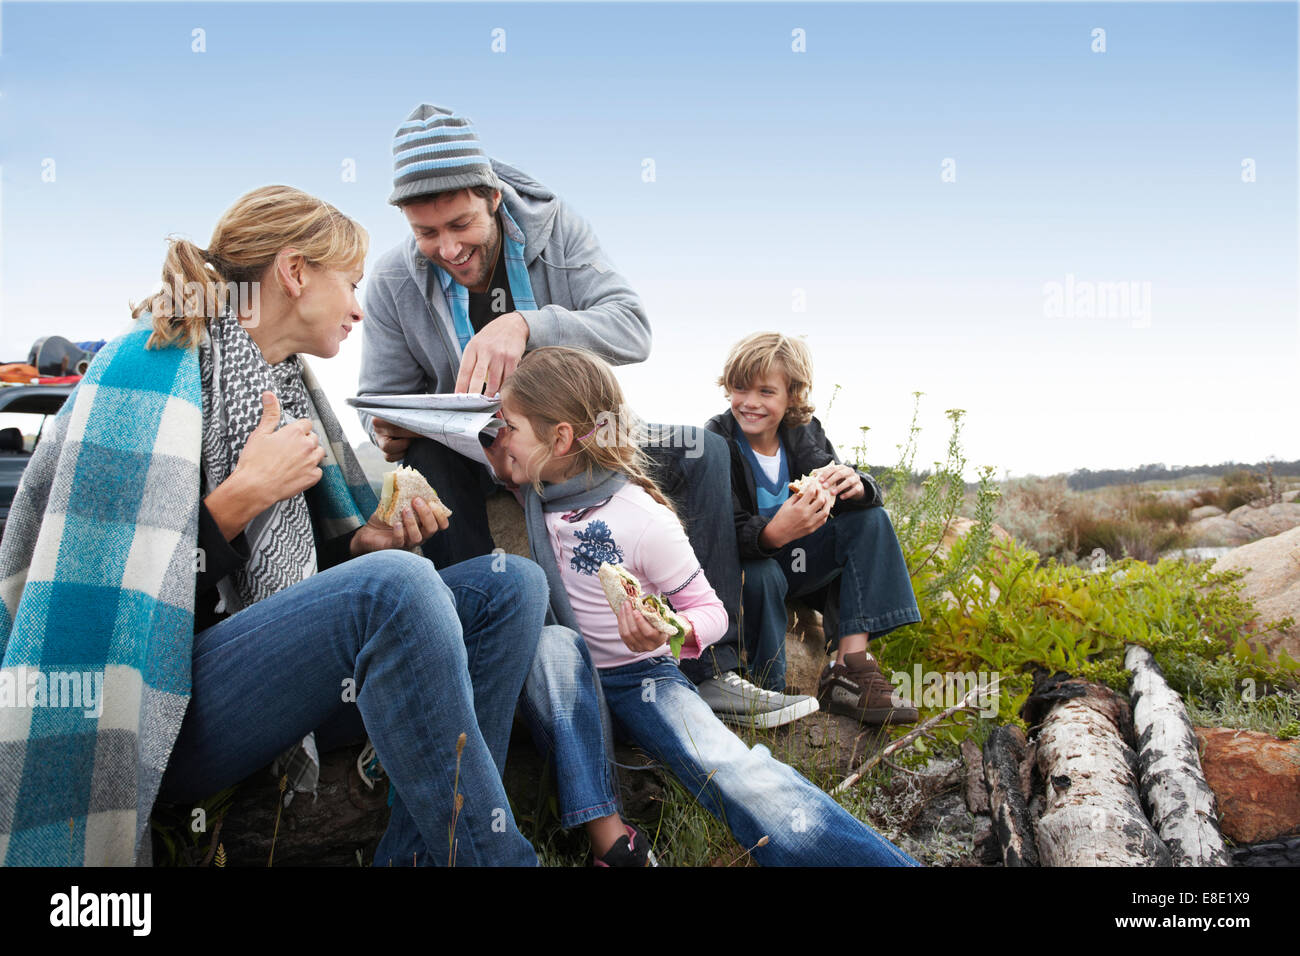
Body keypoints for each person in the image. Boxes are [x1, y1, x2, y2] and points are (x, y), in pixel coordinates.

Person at [0, 186, 547, 866]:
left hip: (259, 683)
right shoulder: (145, 364)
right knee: (395, 587)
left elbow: (281, 576)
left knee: (512, 585)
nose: (356, 307)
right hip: (150, 712)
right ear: (293, 273)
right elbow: (112, 603)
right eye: (349, 284)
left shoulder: (286, 388)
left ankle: (418, 854)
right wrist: (240, 498)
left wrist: (358, 543)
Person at [358, 103, 815, 728]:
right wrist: (386, 429)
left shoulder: (558, 227)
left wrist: (527, 326)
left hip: (584, 435)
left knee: (704, 451)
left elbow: (633, 329)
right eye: (426, 233)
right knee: (426, 459)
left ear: (492, 196)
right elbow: (380, 397)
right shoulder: (389, 280)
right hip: (475, 447)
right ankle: (479, 674)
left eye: (459, 223)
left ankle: (707, 671)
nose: (447, 247)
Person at [493, 346, 920, 866]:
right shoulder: (537, 485)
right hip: (567, 684)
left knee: (733, 767)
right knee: (551, 643)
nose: (497, 436)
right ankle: (616, 847)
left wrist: (668, 631)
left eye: (506, 425)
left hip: (640, 678)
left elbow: (711, 613)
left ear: (560, 438)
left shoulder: (641, 516)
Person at [705, 332, 923, 723]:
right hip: (748, 566)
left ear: (792, 397)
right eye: (740, 388)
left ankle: (849, 668)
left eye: (766, 392)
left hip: (805, 564)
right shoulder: (715, 441)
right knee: (764, 574)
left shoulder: (803, 432)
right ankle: (766, 690)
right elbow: (718, 533)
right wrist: (772, 533)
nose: (750, 402)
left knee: (872, 519)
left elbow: (840, 488)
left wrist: (858, 485)